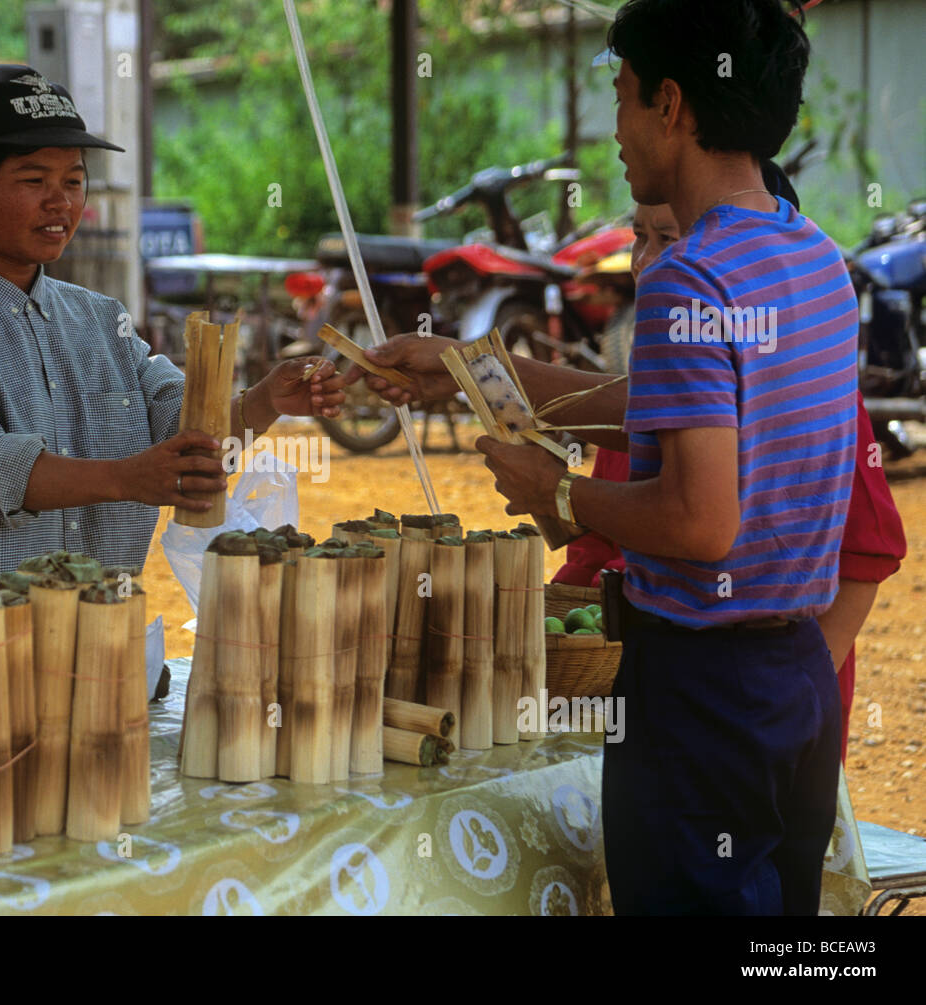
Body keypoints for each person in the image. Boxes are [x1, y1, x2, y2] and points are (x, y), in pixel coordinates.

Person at [351, 0, 853, 915]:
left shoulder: (687, 278)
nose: (617, 131)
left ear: (671, 104)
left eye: (622, 97)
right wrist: (475, 371)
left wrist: (563, 494)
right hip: (797, 683)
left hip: (699, 695)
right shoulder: (812, 255)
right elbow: (674, 414)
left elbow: (702, 523)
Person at [0, 65, 347, 580]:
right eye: (34, 180)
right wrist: (126, 479)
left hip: (97, 630)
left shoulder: (102, 319)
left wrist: (265, 401)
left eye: (74, 181)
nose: (61, 201)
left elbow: (188, 431)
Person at [556, 196, 906, 765]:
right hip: (650, 699)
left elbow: (867, 555)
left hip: (762, 713)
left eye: (668, 241)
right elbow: (597, 546)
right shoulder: (657, 383)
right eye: (637, 239)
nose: (647, 264)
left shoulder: (814, 390)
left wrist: (797, 698)